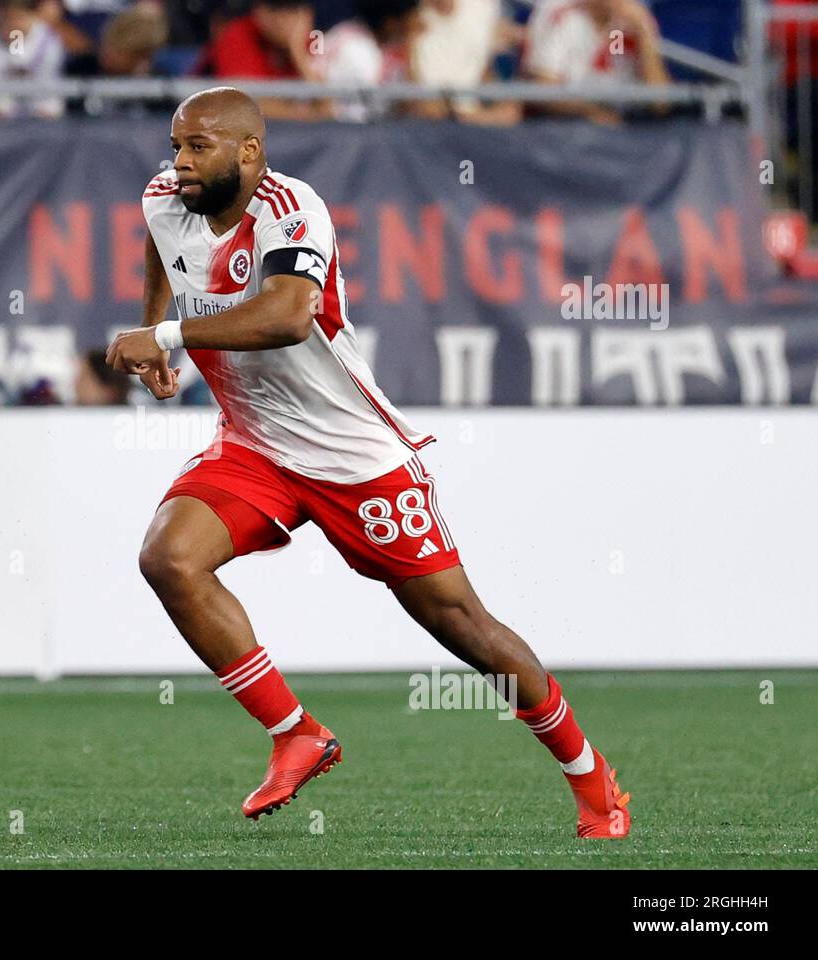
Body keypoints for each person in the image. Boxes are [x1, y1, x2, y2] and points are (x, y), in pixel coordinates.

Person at [105, 87, 632, 836]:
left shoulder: (293, 210)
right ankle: (295, 732)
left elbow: (288, 317)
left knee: (462, 625)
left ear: (249, 152)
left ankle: (591, 779)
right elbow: (161, 247)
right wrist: (155, 321)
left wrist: (165, 340)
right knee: (168, 557)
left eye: (198, 146)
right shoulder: (167, 197)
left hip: (354, 454)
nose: (179, 161)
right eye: (175, 144)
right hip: (255, 442)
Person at [522, 0, 669, 123]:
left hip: (624, 125)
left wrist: (644, 35)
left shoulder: (630, 25)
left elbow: (660, 104)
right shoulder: (563, 16)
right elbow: (544, 89)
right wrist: (592, 113)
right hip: (564, 126)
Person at [197, 0, 328, 120]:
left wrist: (298, 54)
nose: (283, 20)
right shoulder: (237, 34)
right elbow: (242, 104)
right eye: (275, 9)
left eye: (292, 9)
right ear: (257, 10)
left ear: (308, 14)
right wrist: (303, 113)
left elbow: (329, 108)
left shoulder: (313, 41)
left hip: (290, 133)